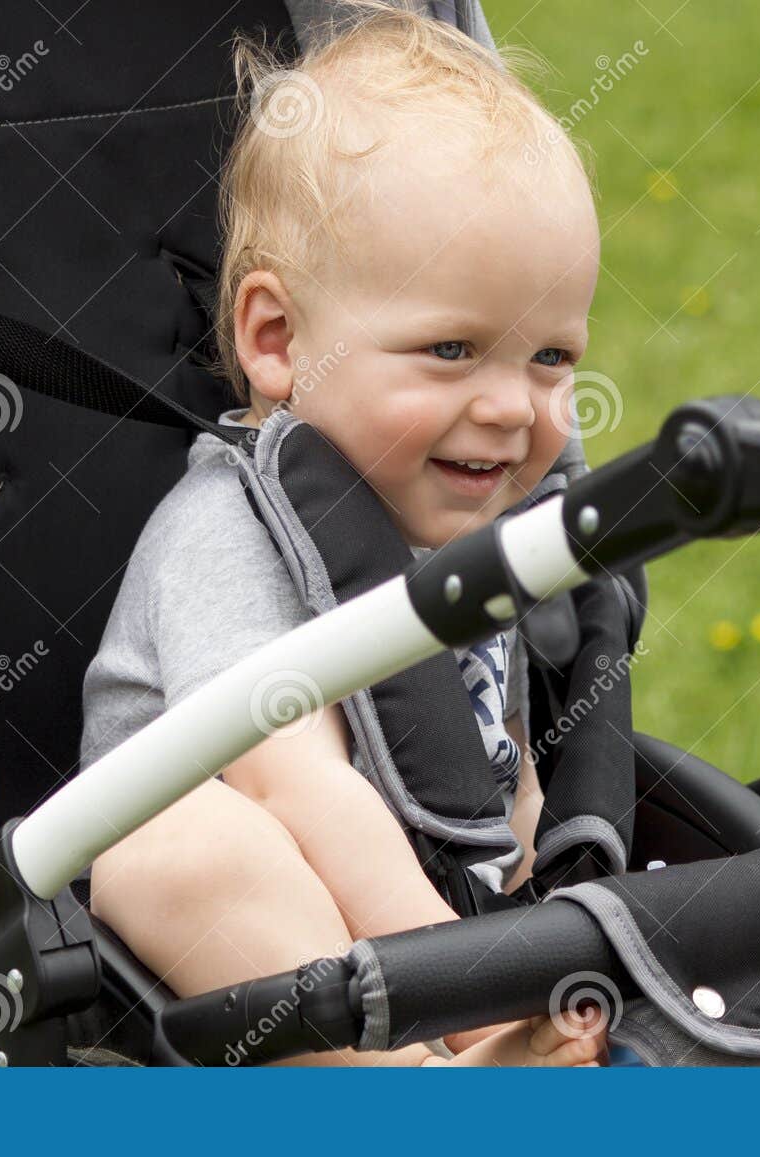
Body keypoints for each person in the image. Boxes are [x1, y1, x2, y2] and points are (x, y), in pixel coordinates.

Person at [80, 1, 605, 1066]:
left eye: (551, 357)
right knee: (180, 849)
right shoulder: (228, 533)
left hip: (421, 934)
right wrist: (480, 992)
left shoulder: (476, 534)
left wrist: (540, 915)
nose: (514, 406)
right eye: (451, 350)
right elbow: (297, 785)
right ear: (278, 340)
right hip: (196, 965)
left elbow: (500, 771)